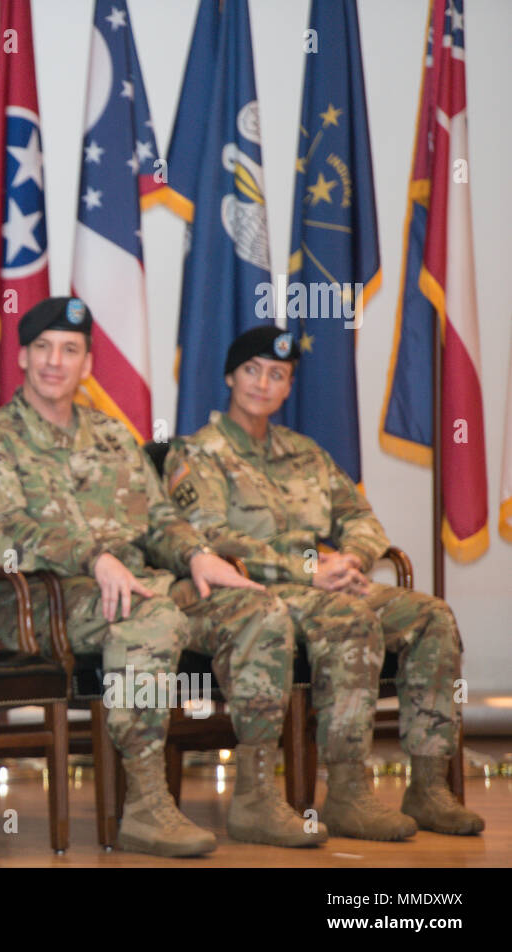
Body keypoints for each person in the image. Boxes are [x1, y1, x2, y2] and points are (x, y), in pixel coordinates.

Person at [0, 298, 313, 857]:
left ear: (86, 365)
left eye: (69, 350)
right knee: (152, 617)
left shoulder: (112, 434)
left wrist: (196, 554)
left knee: (258, 611)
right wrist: (93, 557)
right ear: (22, 357)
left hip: (140, 583)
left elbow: (159, 518)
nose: (55, 361)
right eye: (43, 348)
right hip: (45, 600)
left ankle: (256, 796)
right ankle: (146, 805)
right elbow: (5, 534)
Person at [164, 325, 482, 838]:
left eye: (278, 375)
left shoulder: (305, 452)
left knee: (431, 616)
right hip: (253, 595)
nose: (263, 384)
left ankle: (428, 785)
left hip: (326, 585)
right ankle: (348, 791)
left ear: (289, 386)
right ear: (229, 377)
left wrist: (351, 560)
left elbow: (360, 516)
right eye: (252, 371)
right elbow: (213, 541)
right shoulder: (198, 454)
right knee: (350, 620)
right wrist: (310, 570)